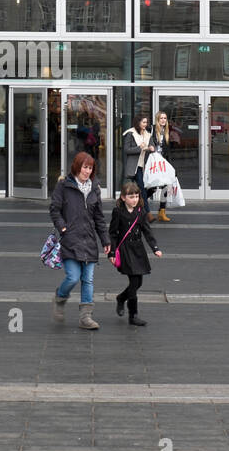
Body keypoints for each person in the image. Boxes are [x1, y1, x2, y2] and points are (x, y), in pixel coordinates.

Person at [49, 151, 111, 330]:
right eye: (85, 167)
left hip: (89, 240)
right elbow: (54, 209)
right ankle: (60, 298)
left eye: (90, 168)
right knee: (73, 277)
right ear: (77, 167)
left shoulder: (94, 188)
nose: (87, 171)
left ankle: (86, 317)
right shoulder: (64, 186)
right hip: (70, 239)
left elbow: (99, 217)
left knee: (88, 279)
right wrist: (62, 227)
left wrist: (106, 241)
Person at [109, 180, 162, 327]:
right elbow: (112, 233)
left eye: (137, 196)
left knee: (139, 282)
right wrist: (112, 252)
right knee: (134, 282)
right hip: (125, 249)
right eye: (131, 197)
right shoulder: (118, 212)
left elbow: (147, 230)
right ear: (123, 198)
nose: (134, 200)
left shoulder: (140, 212)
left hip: (138, 248)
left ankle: (121, 298)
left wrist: (155, 247)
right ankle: (133, 315)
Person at [122, 113, 153, 219]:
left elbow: (151, 145)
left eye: (146, 122)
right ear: (138, 122)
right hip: (135, 166)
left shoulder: (147, 134)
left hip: (144, 167)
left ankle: (135, 210)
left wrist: (151, 148)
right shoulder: (130, 133)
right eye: (143, 122)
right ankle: (147, 213)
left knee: (144, 190)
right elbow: (126, 150)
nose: (145, 124)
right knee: (142, 190)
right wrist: (140, 148)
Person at [152, 110, 179, 221]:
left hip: (164, 163)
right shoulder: (152, 130)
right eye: (161, 118)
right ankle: (142, 210)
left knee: (165, 187)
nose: (163, 120)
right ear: (157, 120)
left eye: (165, 118)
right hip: (153, 163)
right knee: (151, 187)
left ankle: (161, 212)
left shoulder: (167, 131)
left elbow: (168, 151)